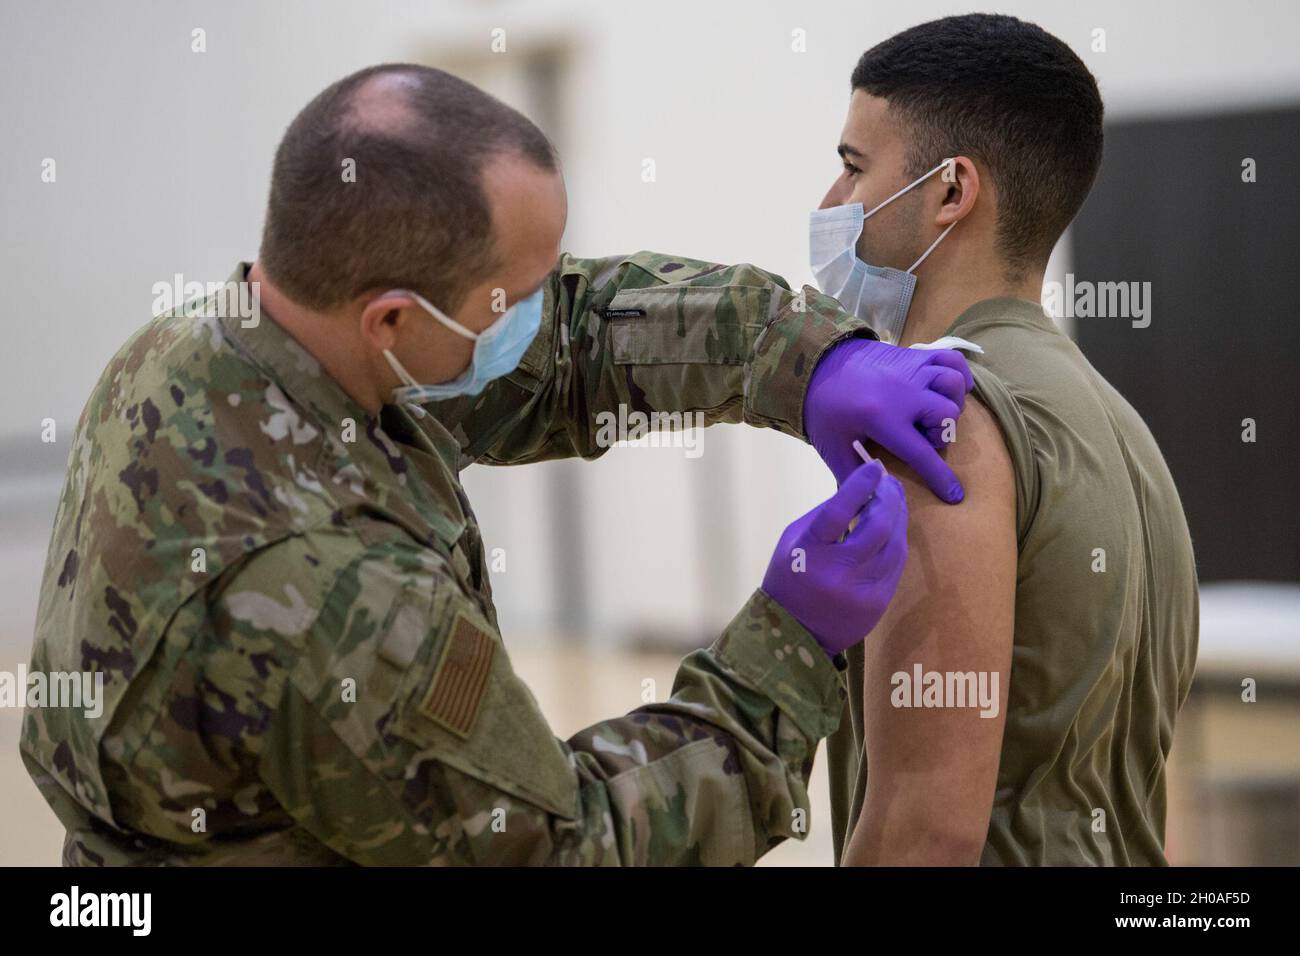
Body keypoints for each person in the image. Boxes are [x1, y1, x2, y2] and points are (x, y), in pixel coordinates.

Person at [21, 64, 974, 865]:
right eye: (506, 299)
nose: (532, 317)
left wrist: (803, 359)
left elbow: (571, 339)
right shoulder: (334, 596)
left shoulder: (212, 345)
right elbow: (562, 849)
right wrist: (790, 645)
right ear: (393, 318)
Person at [810, 15, 1198, 866]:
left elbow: (927, 829)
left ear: (952, 192)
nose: (830, 205)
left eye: (851, 168)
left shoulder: (942, 421)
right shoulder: (1125, 428)